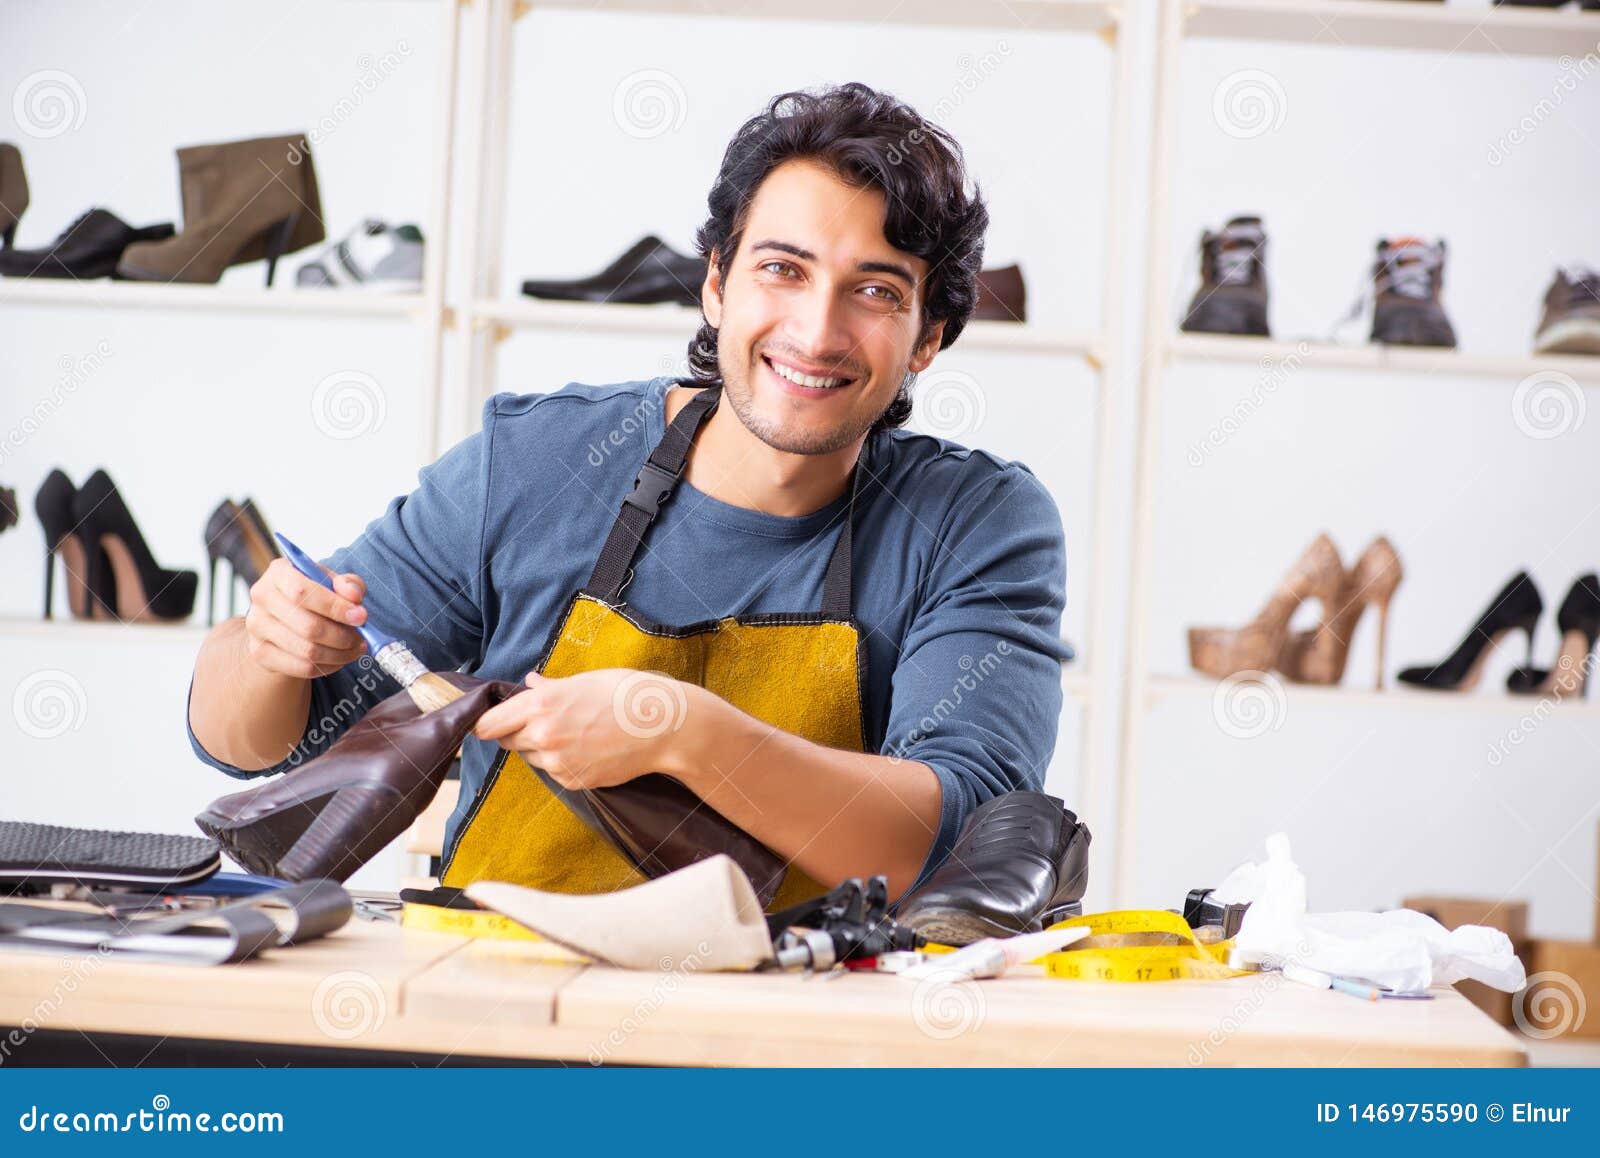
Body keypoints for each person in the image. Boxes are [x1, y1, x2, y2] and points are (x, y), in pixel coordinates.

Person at [186, 82, 1070, 903]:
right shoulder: (536, 463)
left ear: (928, 338)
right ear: (717, 285)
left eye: (874, 291)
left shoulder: (975, 525)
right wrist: (266, 649)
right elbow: (255, 747)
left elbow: (961, 839)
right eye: (782, 270)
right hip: (490, 1011)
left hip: (792, 1034)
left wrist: (684, 731)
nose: (817, 329)